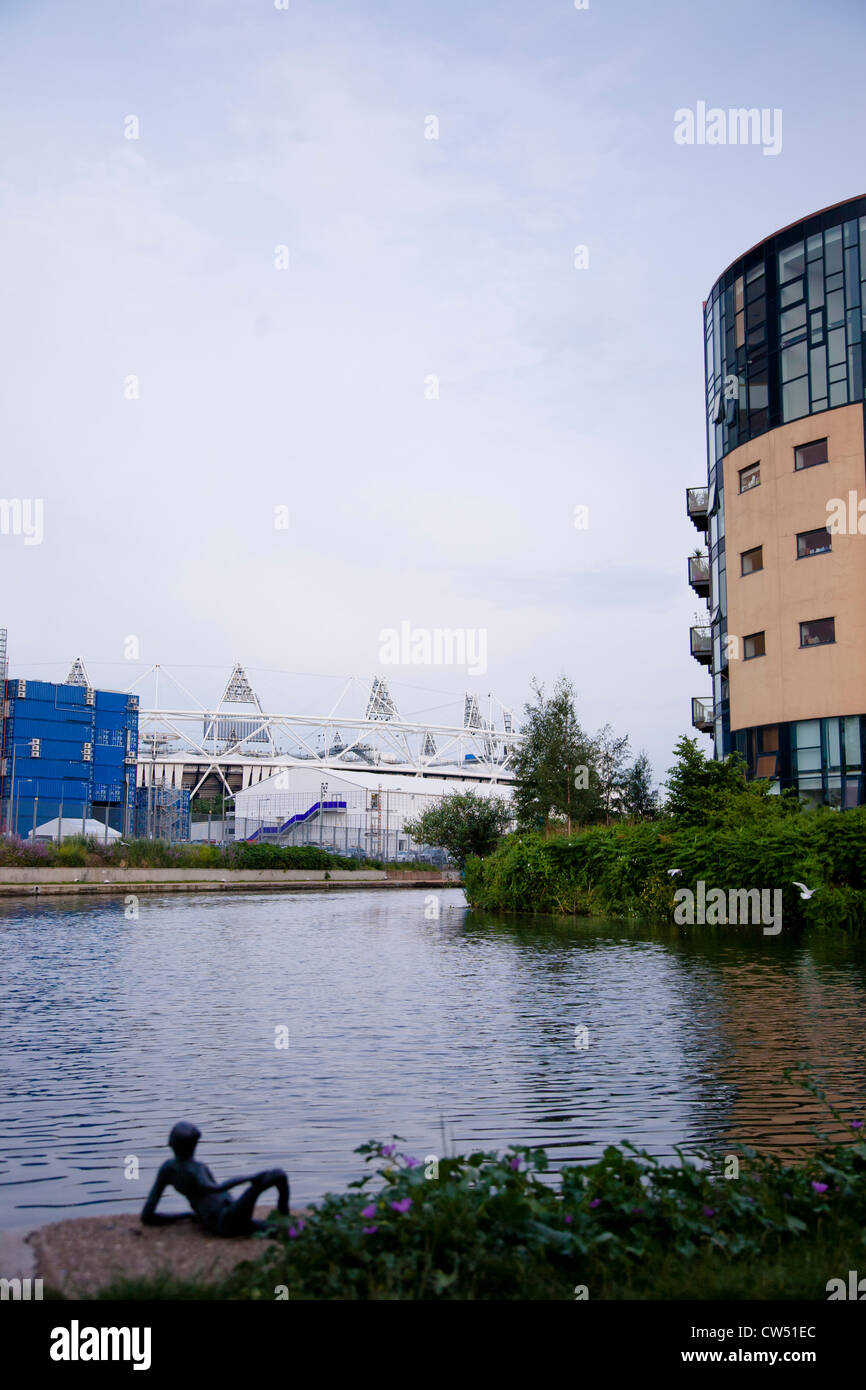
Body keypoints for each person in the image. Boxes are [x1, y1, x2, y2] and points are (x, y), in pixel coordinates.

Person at [141, 1121, 290, 1236]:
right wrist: (250, 1178)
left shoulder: (167, 1168)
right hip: (225, 1220)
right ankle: (286, 1219)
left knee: (276, 1230)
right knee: (278, 1175)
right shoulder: (195, 1169)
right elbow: (214, 1188)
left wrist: (184, 1216)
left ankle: (288, 1225)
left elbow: (148, 1216)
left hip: (225, 1217)